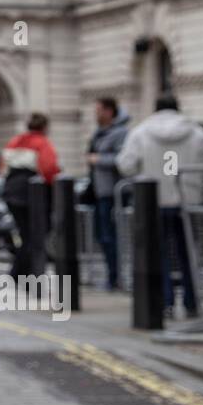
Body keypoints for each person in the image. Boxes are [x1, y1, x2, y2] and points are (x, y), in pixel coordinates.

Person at [117, 94, 203, 318]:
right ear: (178, 108)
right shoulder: (196, 132)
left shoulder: (140, 132)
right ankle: (192, 303)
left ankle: (165, 302)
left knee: (159, 254)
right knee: (189, 253)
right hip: (187, 200)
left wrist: (146, 172)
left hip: (154, 201)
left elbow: (126, 165)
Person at [0, 112, 60, 278]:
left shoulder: (15, 141)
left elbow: (3, 167)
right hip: (32, 194)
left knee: (26, 234)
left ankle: (21, 273)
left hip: (11, 191)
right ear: (45, 127)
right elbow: (49, 169)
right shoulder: (42, 143)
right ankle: (21, 273)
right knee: (36, 235)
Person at [87, 96, 129, 291]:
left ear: (109, 111)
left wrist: (99, 159)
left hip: (113, 193)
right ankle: (112, 276)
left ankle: (115, 278)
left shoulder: (120, 133)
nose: (95, 114)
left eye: (98, 110)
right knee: (102, 236)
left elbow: (123, 160)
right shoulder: (99, 133)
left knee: (110, 236)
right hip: (99, 191)